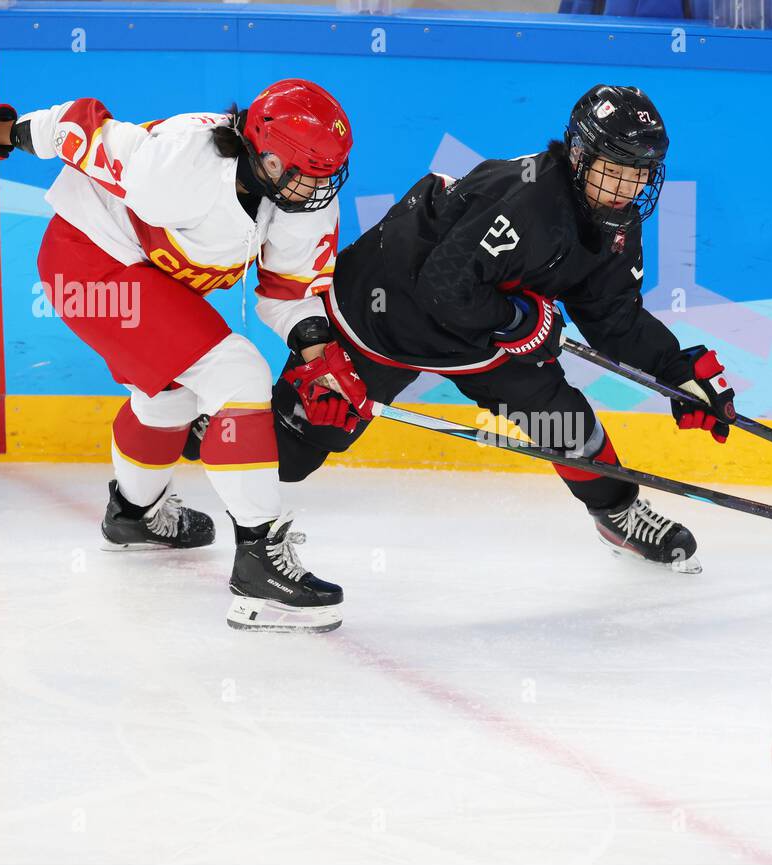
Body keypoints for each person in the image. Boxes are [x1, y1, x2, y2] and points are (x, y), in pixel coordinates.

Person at [0, 80, 351, 633]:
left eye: (324, 176)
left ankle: (134, 516)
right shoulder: (180, 161)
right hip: (87, 263)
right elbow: (79, 128)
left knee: (170, 394)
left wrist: (319, 358)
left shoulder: (300, 195)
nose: (313, 190)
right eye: (300, 173)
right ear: (261, 153)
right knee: (238, 371)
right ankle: (258, 566)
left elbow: (287, 293)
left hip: (154, 278)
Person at [270, 84, 737, 577]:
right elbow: (444, 287)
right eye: (614, 172)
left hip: (480, 331)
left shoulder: (615, 222)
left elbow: (612, 316)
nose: (626, 189)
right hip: (386, 313)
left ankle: (616, 513)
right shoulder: (526, 196)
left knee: (563, 419)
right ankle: (197, 432)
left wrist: (673, 369)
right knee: (296, 450)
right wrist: (517, 320)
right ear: (578, 155)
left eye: (638, 175)